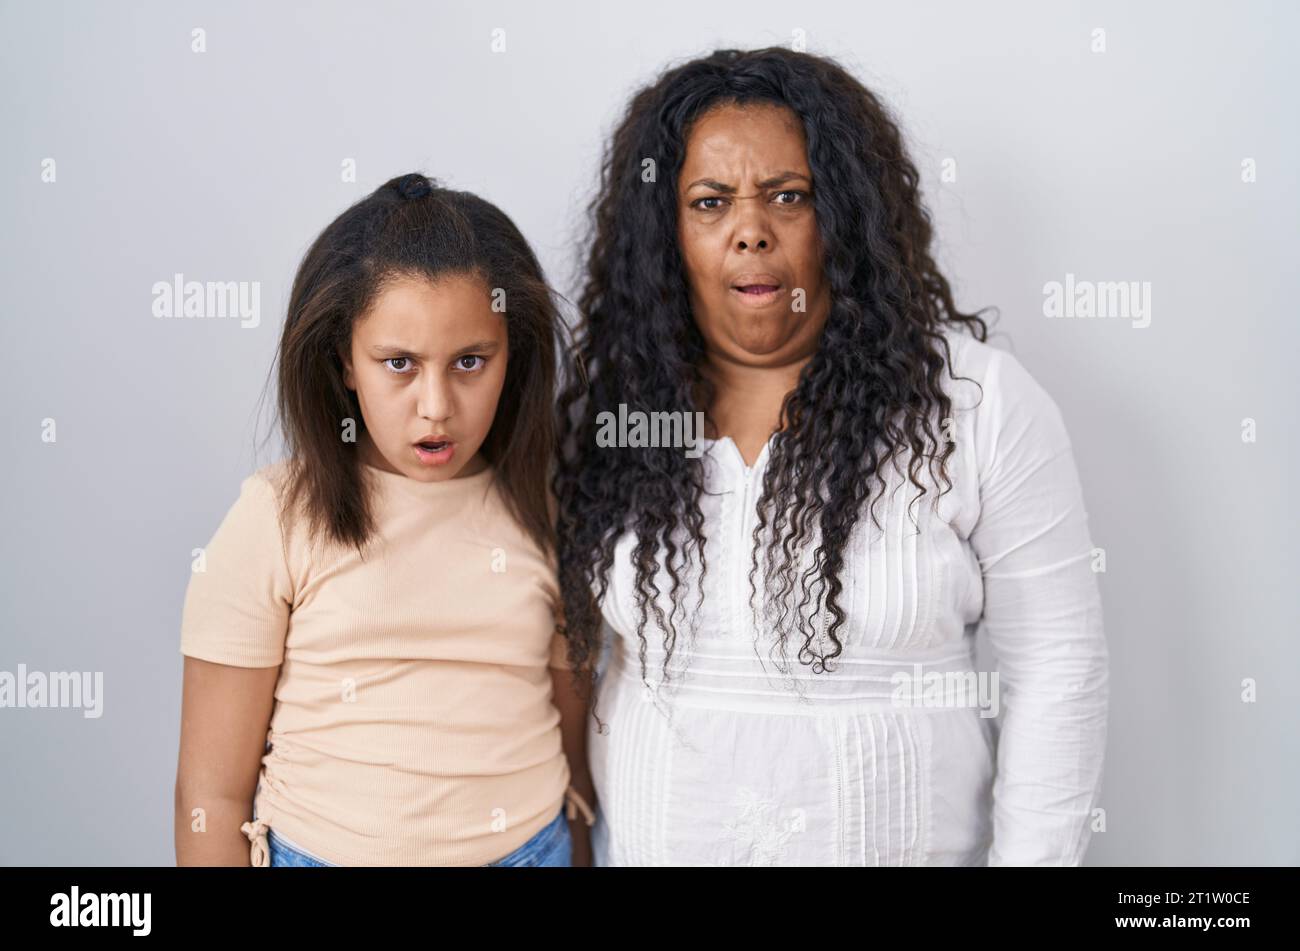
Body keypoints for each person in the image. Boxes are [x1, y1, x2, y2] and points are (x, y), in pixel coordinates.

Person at [554, 48, 1108, 866]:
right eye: (710, 203)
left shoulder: (975, 402)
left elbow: (1059, 666)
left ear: (844, 216)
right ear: (665, 234)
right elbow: (557, 660)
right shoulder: (616, 416)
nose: (751, 230)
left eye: (789, 196)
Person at [175, 172, 596, 867]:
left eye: (469, 361)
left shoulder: (548, 516)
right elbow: (211, 795)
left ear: (510, 354)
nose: (435, 405)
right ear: (344, 359)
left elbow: (575, 766)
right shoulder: (274, 519)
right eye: (398, 363)